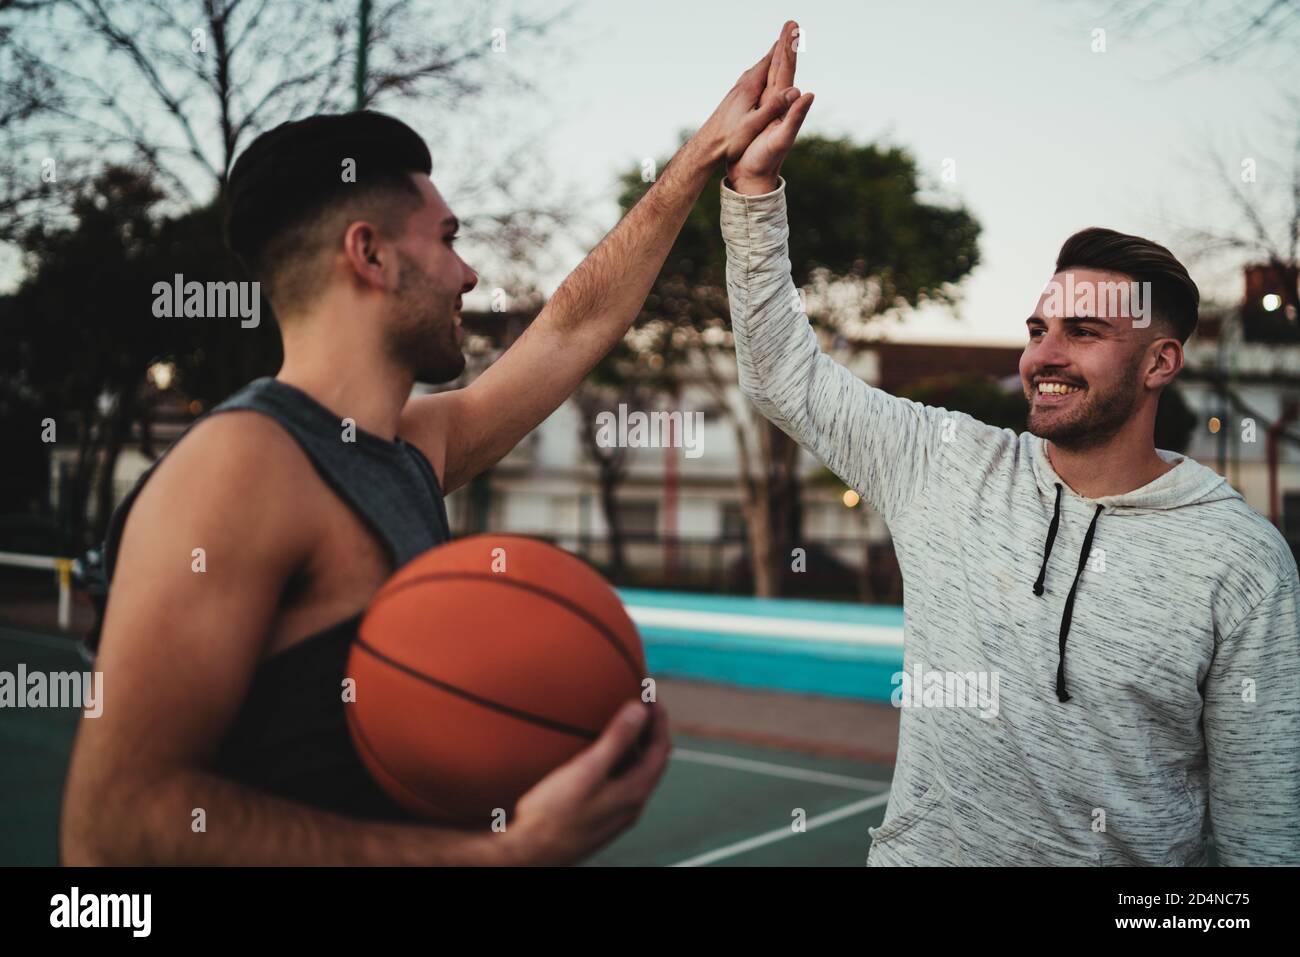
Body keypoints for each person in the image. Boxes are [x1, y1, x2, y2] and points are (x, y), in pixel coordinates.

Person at [60, 21, 811, 866]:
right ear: (370, 255)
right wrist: (501, 855)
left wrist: (701, 158)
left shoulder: (410, 445)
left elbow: (575, 325)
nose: (469, 273)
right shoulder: (241, 465)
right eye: (448, 239)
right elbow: (112, 825)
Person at [720, 106, 1300, 864]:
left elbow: (1263, 838)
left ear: (1160, 363)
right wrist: (755, 189)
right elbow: (779, 375)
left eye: (1083, 333)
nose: (1044, 356)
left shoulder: (1242, 563)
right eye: (1038, 330)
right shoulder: (943, 462)